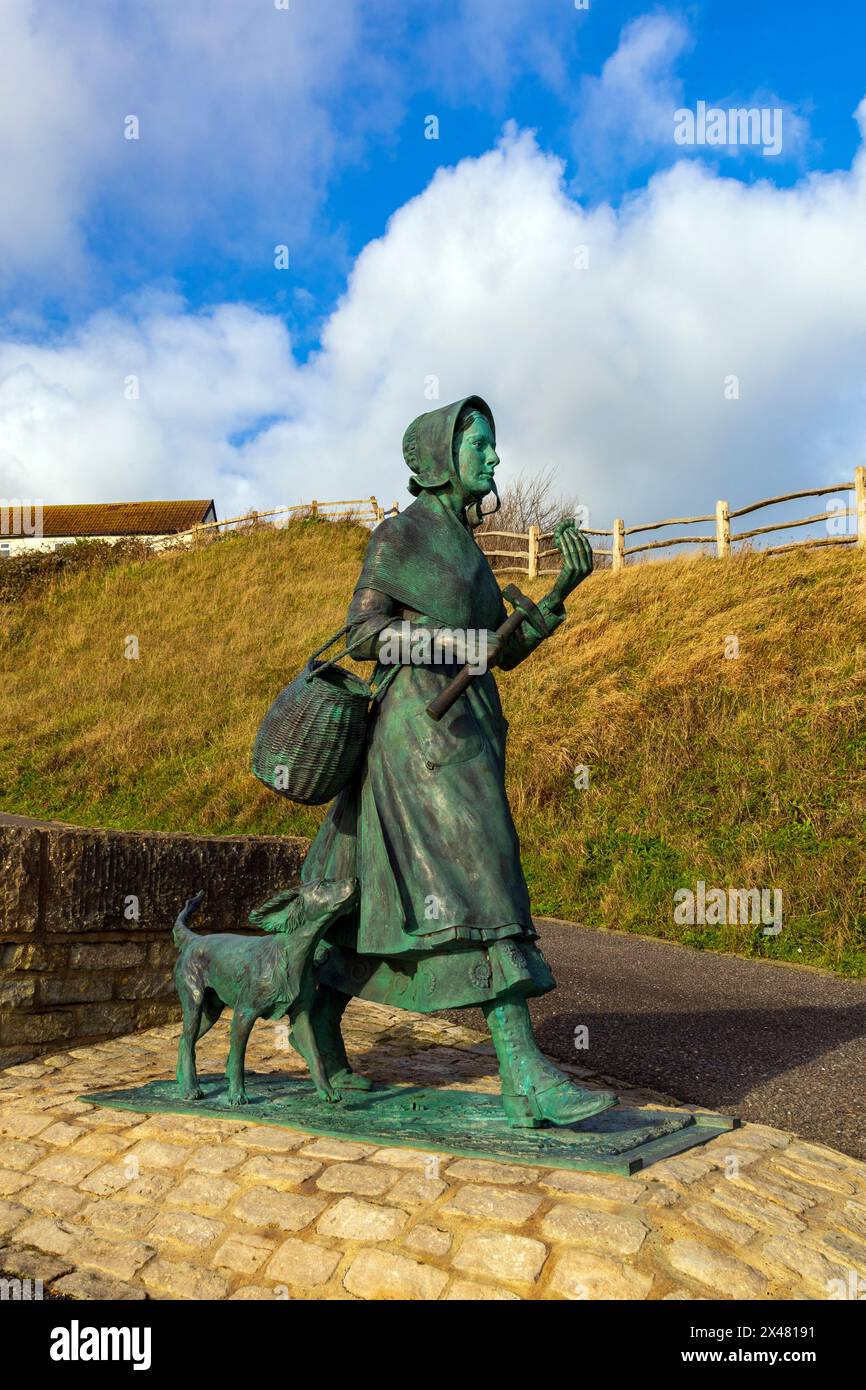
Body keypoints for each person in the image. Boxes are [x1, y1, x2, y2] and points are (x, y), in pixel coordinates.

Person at [296, 395, 617, 1127]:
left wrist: (558, 593)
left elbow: (496, 651)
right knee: (486, 871)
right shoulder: (400, 535)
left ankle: (313, 1008)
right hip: (417, 735)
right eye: (482, 446)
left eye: (494, 447)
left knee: (373, 900)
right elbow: (365, 635)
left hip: (468, 731)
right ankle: (524, 1072)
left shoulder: (473, 552)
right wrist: (450, 643)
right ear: (442, 456)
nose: (496, 459)